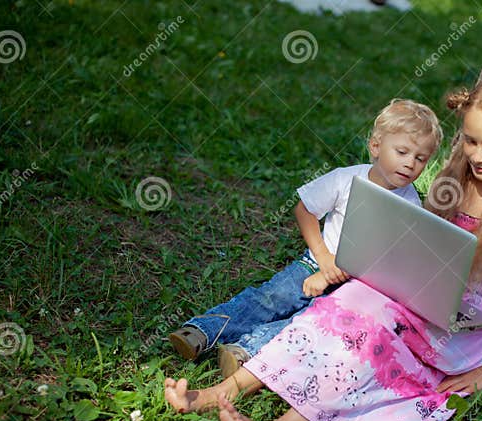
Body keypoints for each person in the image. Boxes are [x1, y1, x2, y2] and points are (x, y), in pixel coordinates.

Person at [165, 74, 482, 421]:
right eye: (470, 140)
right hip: (432, 291)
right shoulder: (458, 179)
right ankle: (218, 392)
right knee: (345, 302)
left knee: (371, 339)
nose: (478, 155)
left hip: (476, 325)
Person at [167, 99, 443, 377]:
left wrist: (334, 276)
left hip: (357, 285)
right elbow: (305, 209)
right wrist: (323, 259)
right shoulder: (347, 179)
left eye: (420, 158)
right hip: (316, 261)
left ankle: (246, 352)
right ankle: (202, 331)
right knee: (272, 298)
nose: (410, 163)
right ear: (375, 146)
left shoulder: (410, 207)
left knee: (310, 322)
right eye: (402, 152)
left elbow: (389, 257)